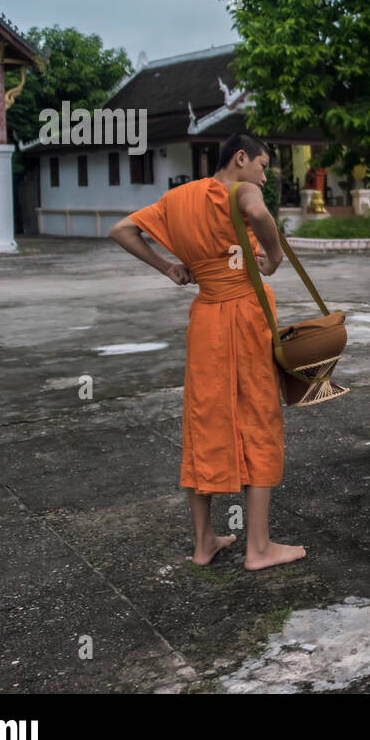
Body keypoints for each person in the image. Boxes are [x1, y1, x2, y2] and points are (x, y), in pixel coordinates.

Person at [108, 133, 305, 571]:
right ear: (240, 158)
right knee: (258, 417)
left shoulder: (177, 198)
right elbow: (257, 211)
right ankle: (258, 548)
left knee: (205, 420)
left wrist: (169, 267)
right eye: (261, 165)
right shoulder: (240, 190)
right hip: (246, 315)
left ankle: (203, 544)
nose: (263, 174)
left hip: (207, 319)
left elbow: (121, 229)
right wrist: (273, 257)